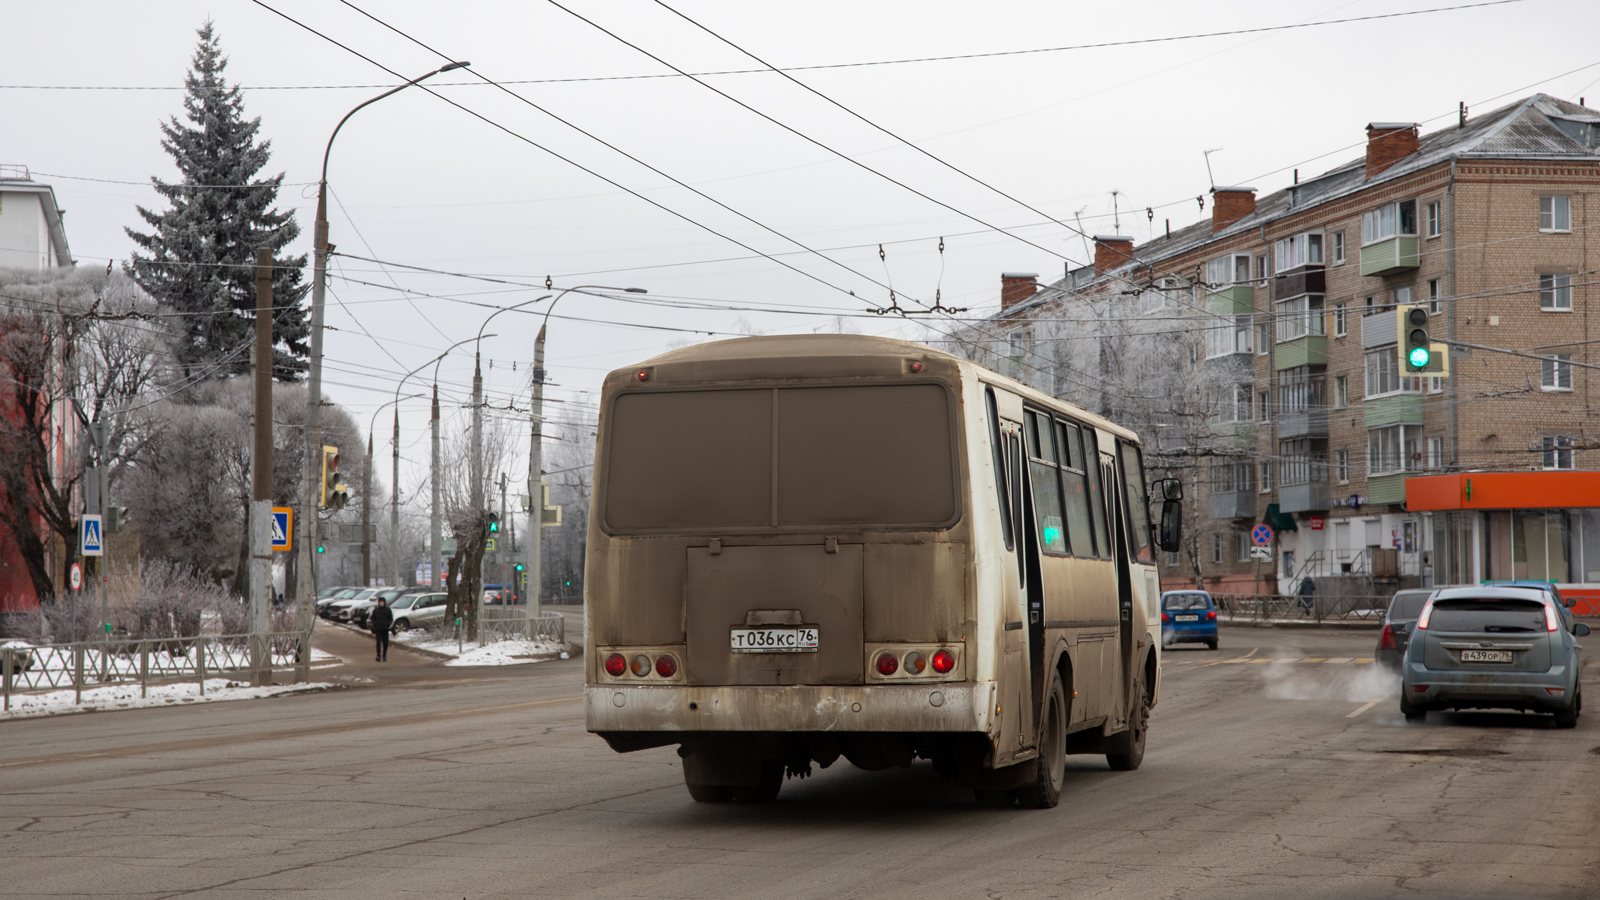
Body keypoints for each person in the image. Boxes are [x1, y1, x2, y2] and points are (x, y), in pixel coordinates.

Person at [370, 598, 394, 662]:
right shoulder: (376, 610)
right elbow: (372, 618)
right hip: (378, 629)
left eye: (382, 602)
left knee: (385, 643)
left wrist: (388, 625)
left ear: (384, 603)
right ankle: (378, 656)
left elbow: (391, 618)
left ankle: (384, 656)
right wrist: (375, 624)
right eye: (380, 602)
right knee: (378, 642)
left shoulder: (388, 610)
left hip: (385, 629)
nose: (381, 603)